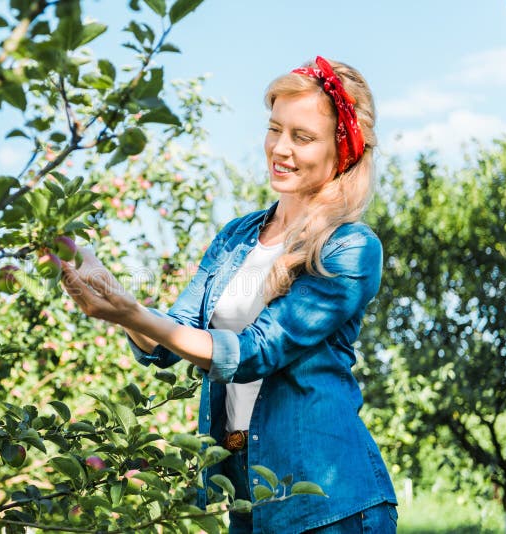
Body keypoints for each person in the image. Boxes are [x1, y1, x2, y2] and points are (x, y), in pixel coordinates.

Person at [60, 56, 398, 533]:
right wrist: (118, 302)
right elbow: (172, 338)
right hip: (244, 499)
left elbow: (255, 352)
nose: (280, 148)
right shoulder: (237, 236)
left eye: (302, 137)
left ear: (342, 151)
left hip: (330, 504)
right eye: (274, 128)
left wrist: (133, 311)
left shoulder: (349, 248)